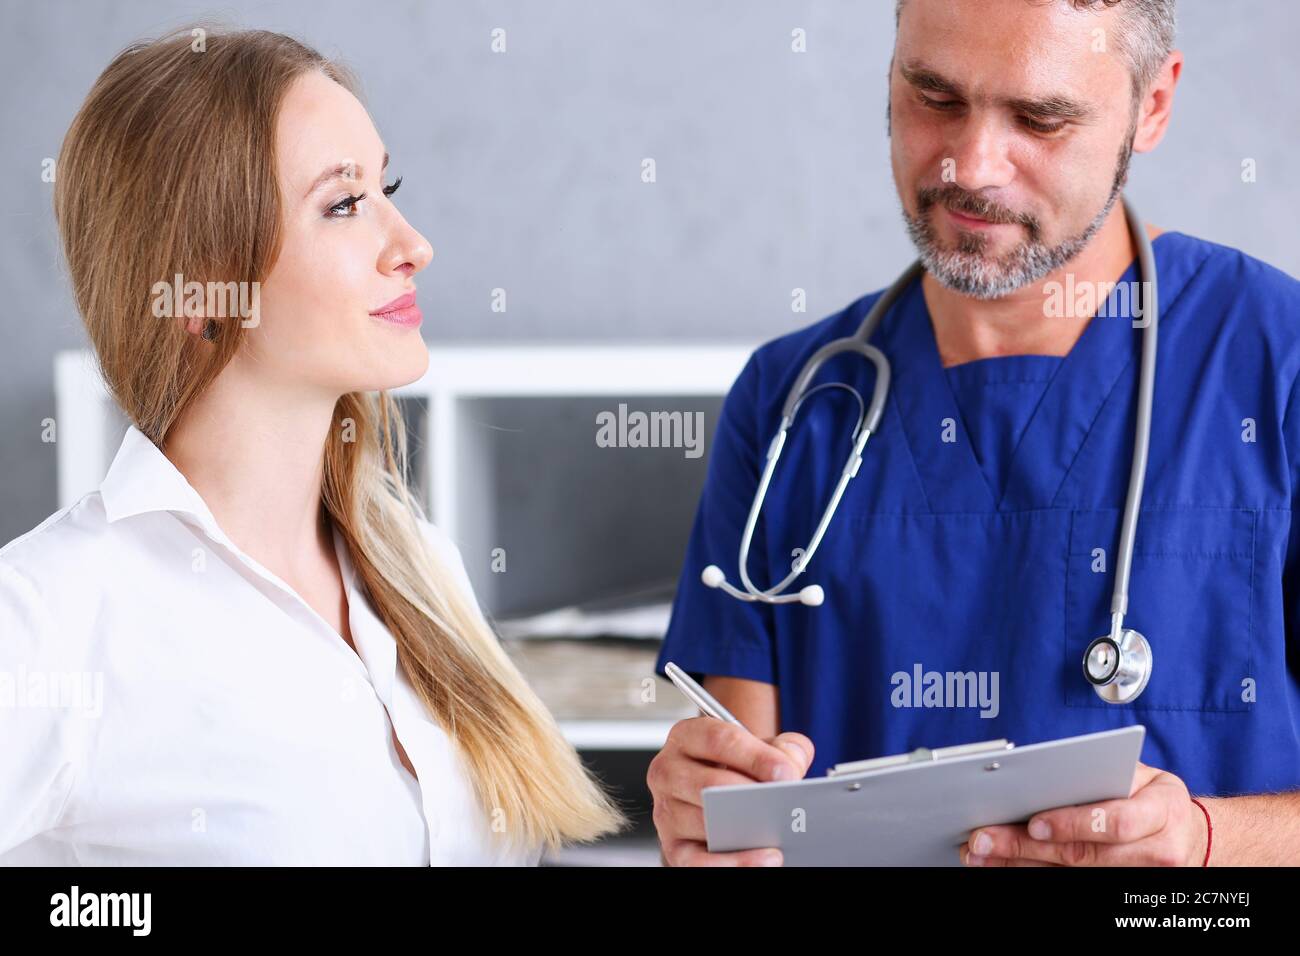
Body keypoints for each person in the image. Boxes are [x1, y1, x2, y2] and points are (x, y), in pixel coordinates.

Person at [651, 0, 1300, 866]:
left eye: (1039, 118)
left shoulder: (1273, 363)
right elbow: (744, 794)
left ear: (1152, 104)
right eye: (934, 96)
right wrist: (703, 819)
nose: (972, 166)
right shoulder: (792, 401)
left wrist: (1209, 843)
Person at [0, 27, 623, 865]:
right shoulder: (50, 617)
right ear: (199, 288)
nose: (412, 245)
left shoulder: (421, 566)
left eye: (385, 185)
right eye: (343, 203)